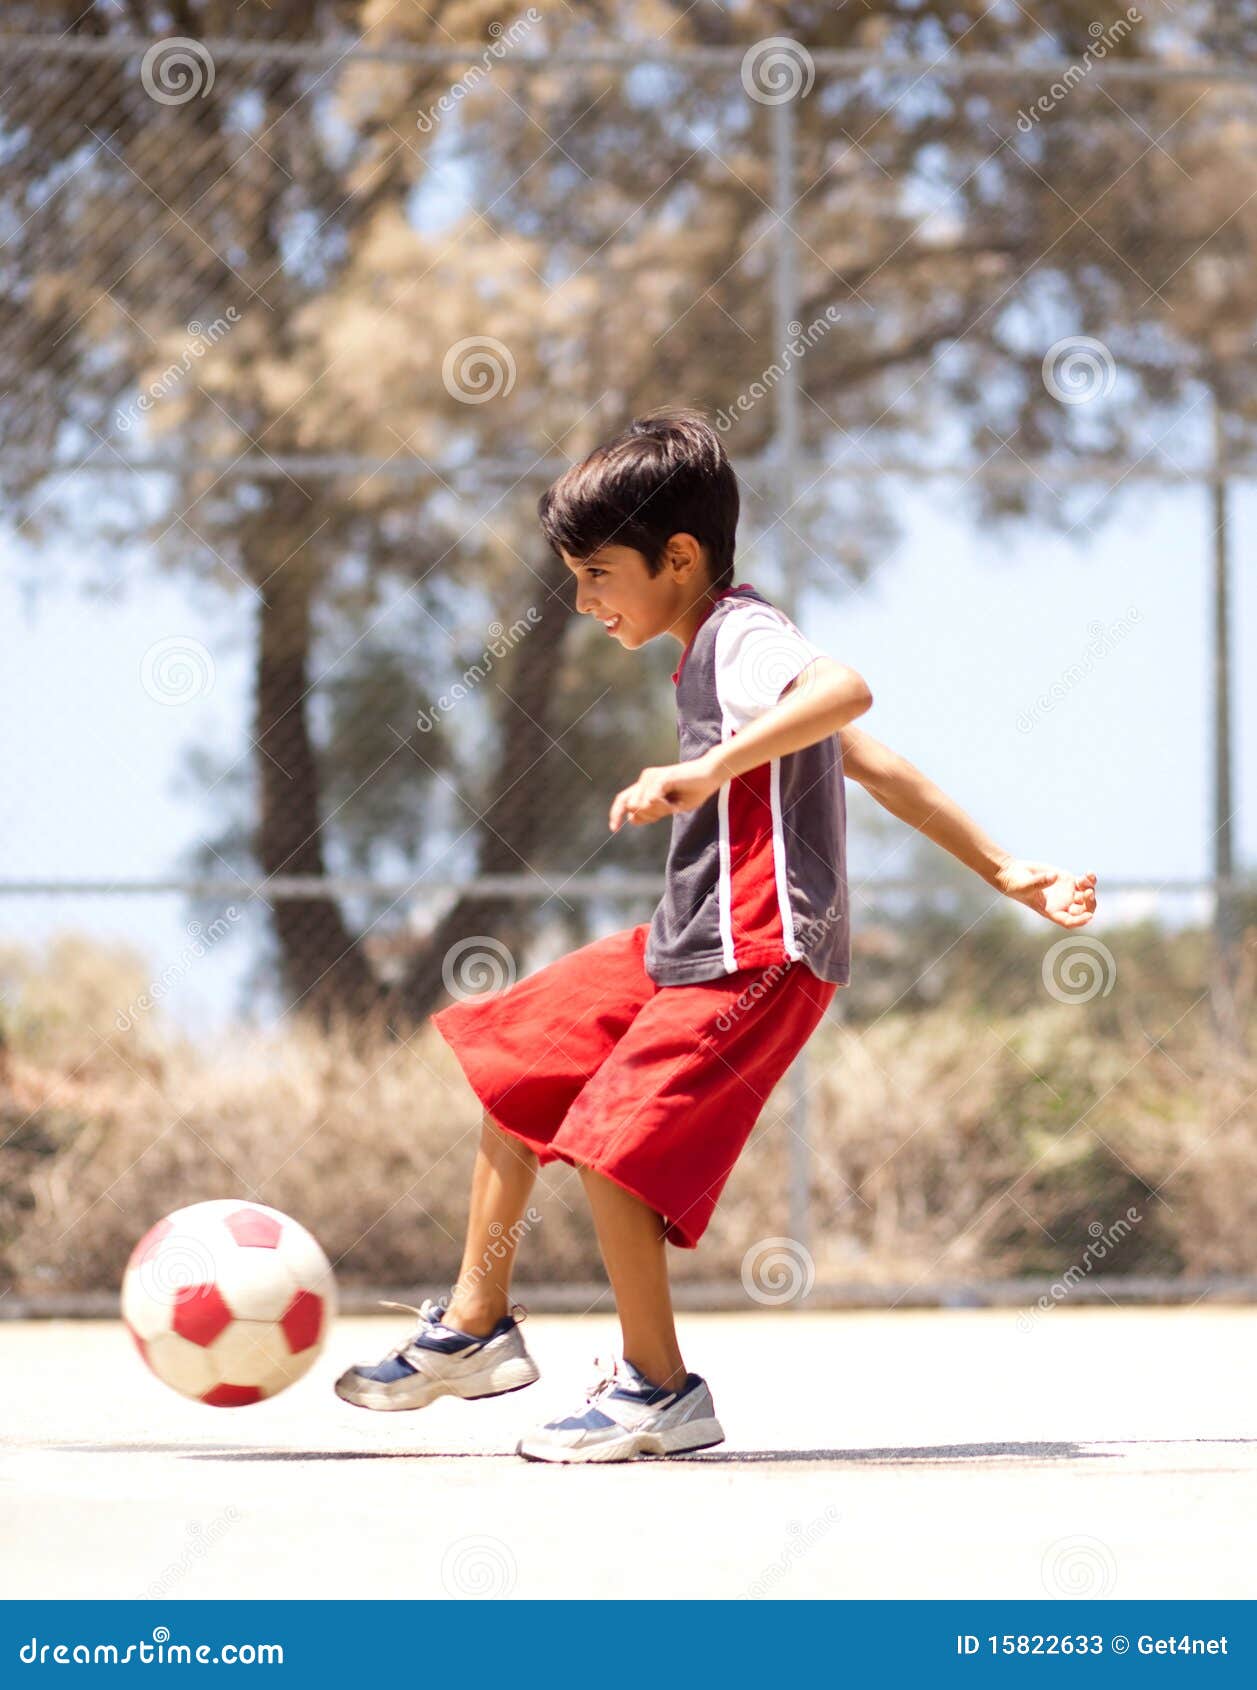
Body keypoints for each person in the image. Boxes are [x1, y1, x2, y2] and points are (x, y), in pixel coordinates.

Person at [335, 406, 1098, 1463]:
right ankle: (475, 1327)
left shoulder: (742, 635)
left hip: (758, 950)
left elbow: (846, 690)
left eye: (599, 572)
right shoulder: (708, 651)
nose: (584, 599)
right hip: (687, 937)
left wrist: (708, 766)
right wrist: (1007, 868)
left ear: (679, 557)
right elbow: (867, 756)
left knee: (611, 1140)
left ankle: (659, 1389)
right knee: (520, 1059)